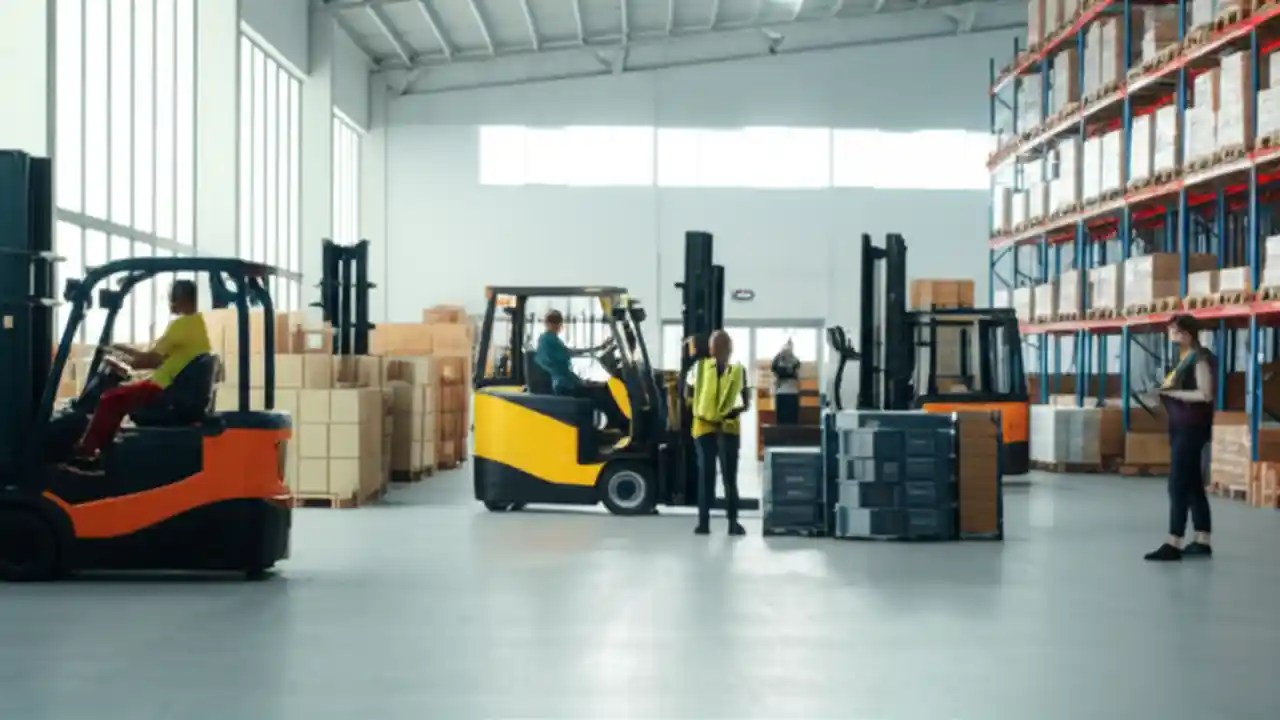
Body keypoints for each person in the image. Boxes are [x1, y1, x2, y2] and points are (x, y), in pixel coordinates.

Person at [73, 280, 211, 461]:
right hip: (169, 387)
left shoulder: (182, 325)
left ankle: (87, 453)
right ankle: (103, 452)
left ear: (183, 298)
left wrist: (122, 356)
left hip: (161, 388)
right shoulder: (197, 324)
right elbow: (152, 356)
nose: (171, 303)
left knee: (109, 399)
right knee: (118, 397)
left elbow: (146, 361)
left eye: (173, 299)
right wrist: (118, 348)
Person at [1145, 314, 1215, 562]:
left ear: (1186, 333)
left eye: (1173, 330)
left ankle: (1173, 542)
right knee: (1193, 482)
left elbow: (1205, 394)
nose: (1169, 333)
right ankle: (1202, 538)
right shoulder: (1185, 359)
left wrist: (1175, 394)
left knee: (1177, 484)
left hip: (1191, 428)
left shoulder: (1200, 358)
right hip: (1181, 426)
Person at [691, 330, 750, 536]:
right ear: (710, 348)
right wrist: (704, 413)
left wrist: (728, 414)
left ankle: (733, 523)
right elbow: (688, 394)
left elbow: (746, 401)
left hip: (728, 429)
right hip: (704, 428)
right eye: (715, 346)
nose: (719, 350)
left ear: (730, 349)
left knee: (729, 478)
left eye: (723, 345)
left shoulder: (738, 372)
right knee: (706, 477)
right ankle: (703, 523)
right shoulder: (698, 368)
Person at [534, 310, 628, 430]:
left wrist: (598, 348)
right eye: (558, 324)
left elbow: (569, 354)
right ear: (551, 324)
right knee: (603, 395)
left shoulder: (550, 339)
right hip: (563, 386)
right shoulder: (548, 340)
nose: (559, 327)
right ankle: (619, 426)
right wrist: (580, 381)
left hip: (566, 381)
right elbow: (562, 363)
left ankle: (613, 427)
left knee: (601, 388)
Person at [771, 340, 802, 425]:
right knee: (783, 421)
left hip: (791, 393)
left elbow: (797, 366)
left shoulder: (794, 361)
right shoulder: (779, 361)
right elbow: (774, 368)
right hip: (783, 392)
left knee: (791, 420)